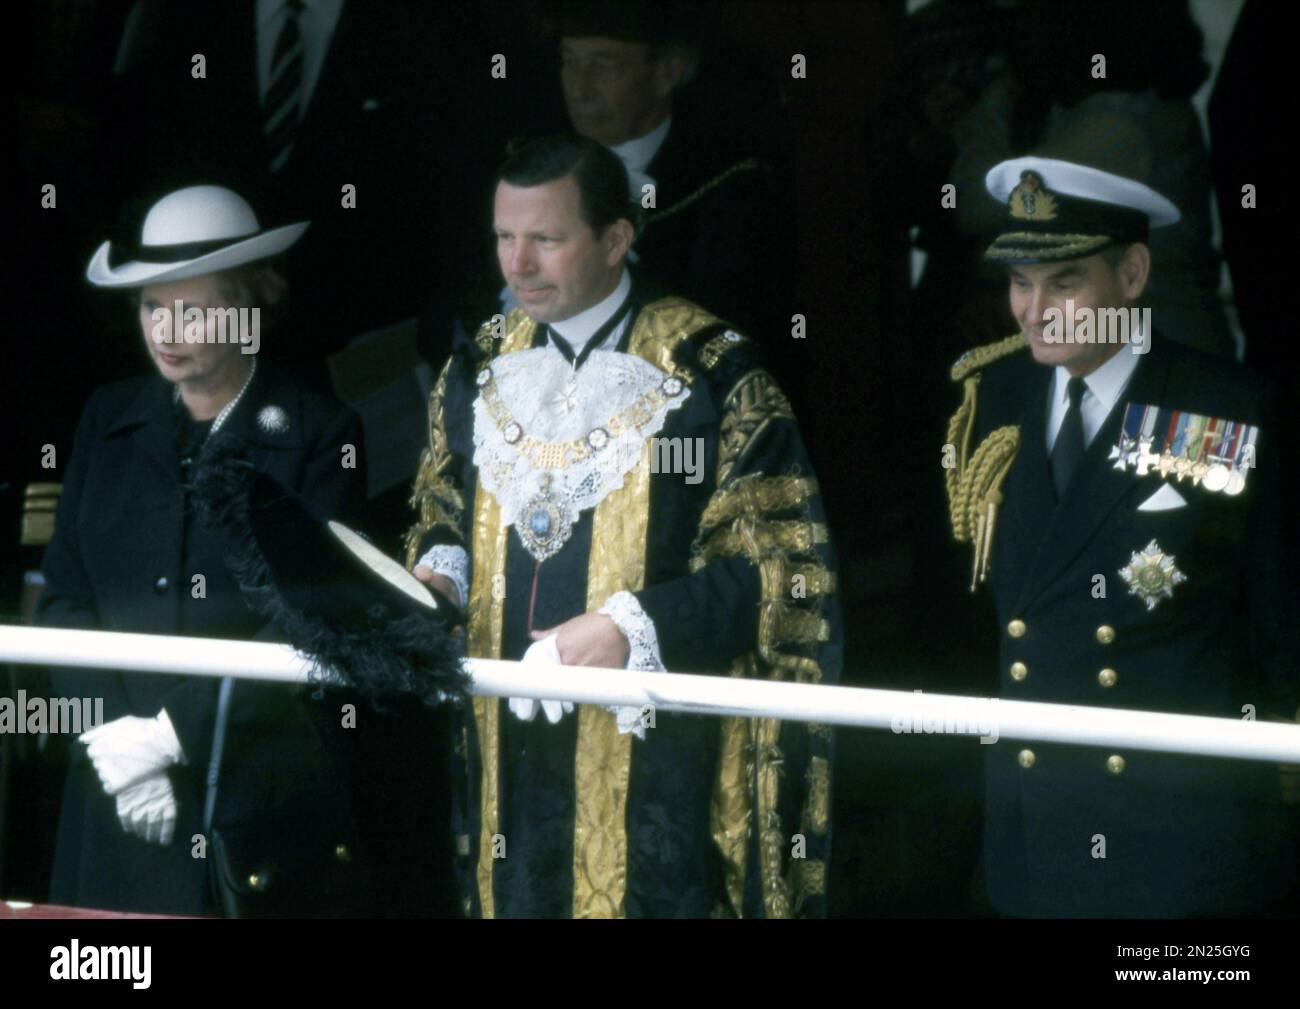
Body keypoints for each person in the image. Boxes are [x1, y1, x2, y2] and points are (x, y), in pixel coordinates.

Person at [406, 135, 842, 918]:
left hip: (658, 763)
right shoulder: (477, 365)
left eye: (546, 238)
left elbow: (780, 575)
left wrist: (631, 627)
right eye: (505, 237)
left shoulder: (713, 373)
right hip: (507, 752)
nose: (518, 264)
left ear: (615, 238)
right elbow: (441, 508)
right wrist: (441, 568)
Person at [943, 156, 1299, 917]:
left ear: (1132, 276)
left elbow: (1285, 630)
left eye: (1064, 282)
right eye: (1019, 283)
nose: (1034, 311)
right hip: (1034, 831)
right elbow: (970, 621)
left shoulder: (1229, 409)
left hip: (1177, 835)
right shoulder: (993, 397)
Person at [39, 185, 373, 916]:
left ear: (252, 308)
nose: (168, 328)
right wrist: (113, 745)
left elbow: (318, 620)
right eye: (153, 306)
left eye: (194, 309)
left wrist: (168, 735)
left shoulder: (319, 431)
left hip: (246, 795)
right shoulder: (107, 417)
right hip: (113, 789)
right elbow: (65, 596)